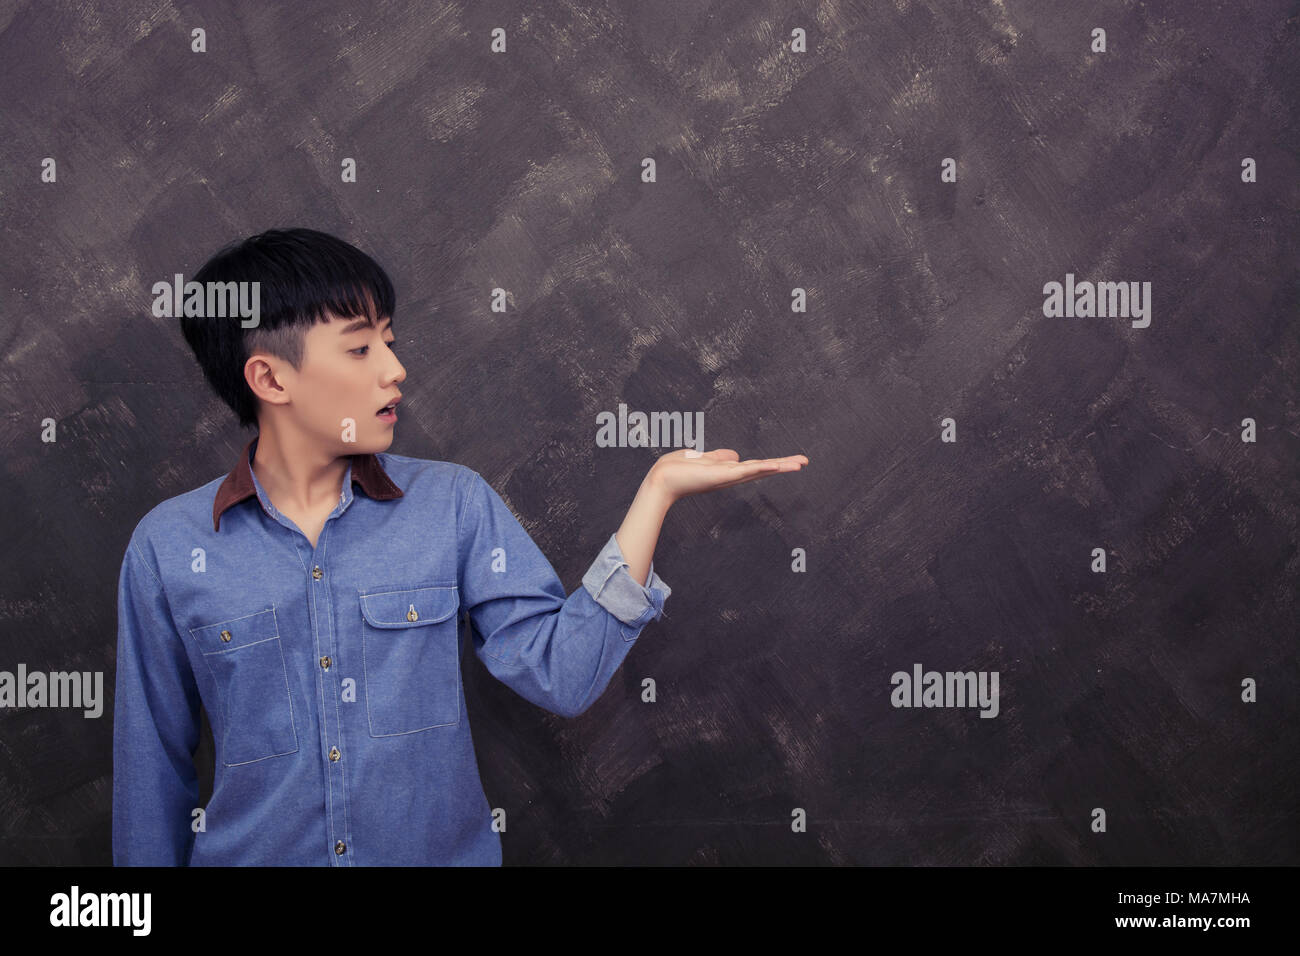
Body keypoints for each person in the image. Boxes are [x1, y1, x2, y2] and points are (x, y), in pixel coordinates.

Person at [112, 227, 808, 865]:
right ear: (269, 378)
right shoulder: (168, 548)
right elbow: (150, 781)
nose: (394, 369)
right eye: (360, 347)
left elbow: (561, 674)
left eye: (388, 338)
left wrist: (655, 492)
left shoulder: (452, 505)